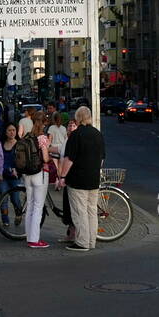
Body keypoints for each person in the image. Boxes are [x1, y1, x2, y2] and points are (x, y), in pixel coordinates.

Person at [57, 107, 105, 251]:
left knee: (79, 212)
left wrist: (63, 176)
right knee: (91, 211)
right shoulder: (98, 134)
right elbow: (102, 159)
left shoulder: (76, 135)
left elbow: (69, 159)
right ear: (89, 117)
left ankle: (82, 242)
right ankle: (91, 241)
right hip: (94, 179)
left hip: (77, 180)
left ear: (78, 118)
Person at [22, 128, 54, 249]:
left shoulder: (27, 138)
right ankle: (34, 240)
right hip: (40, 174)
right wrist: (51, 158)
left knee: (30, 205)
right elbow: (45, 158)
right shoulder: (42, 138)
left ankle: (29, 236)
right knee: (38, 207)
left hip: (27, 175)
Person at [0, 123, 24, 229]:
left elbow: (22, 161)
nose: (12, 132)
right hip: (2, 176)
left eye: (13, 130)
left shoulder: (19, 145)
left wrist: (17, 169)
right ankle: (5, 220)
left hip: (15, 177)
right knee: (3, 199)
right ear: (5, 132)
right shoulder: (1, 144)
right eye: (9, 130)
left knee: (15, 199)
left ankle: (18, 214)